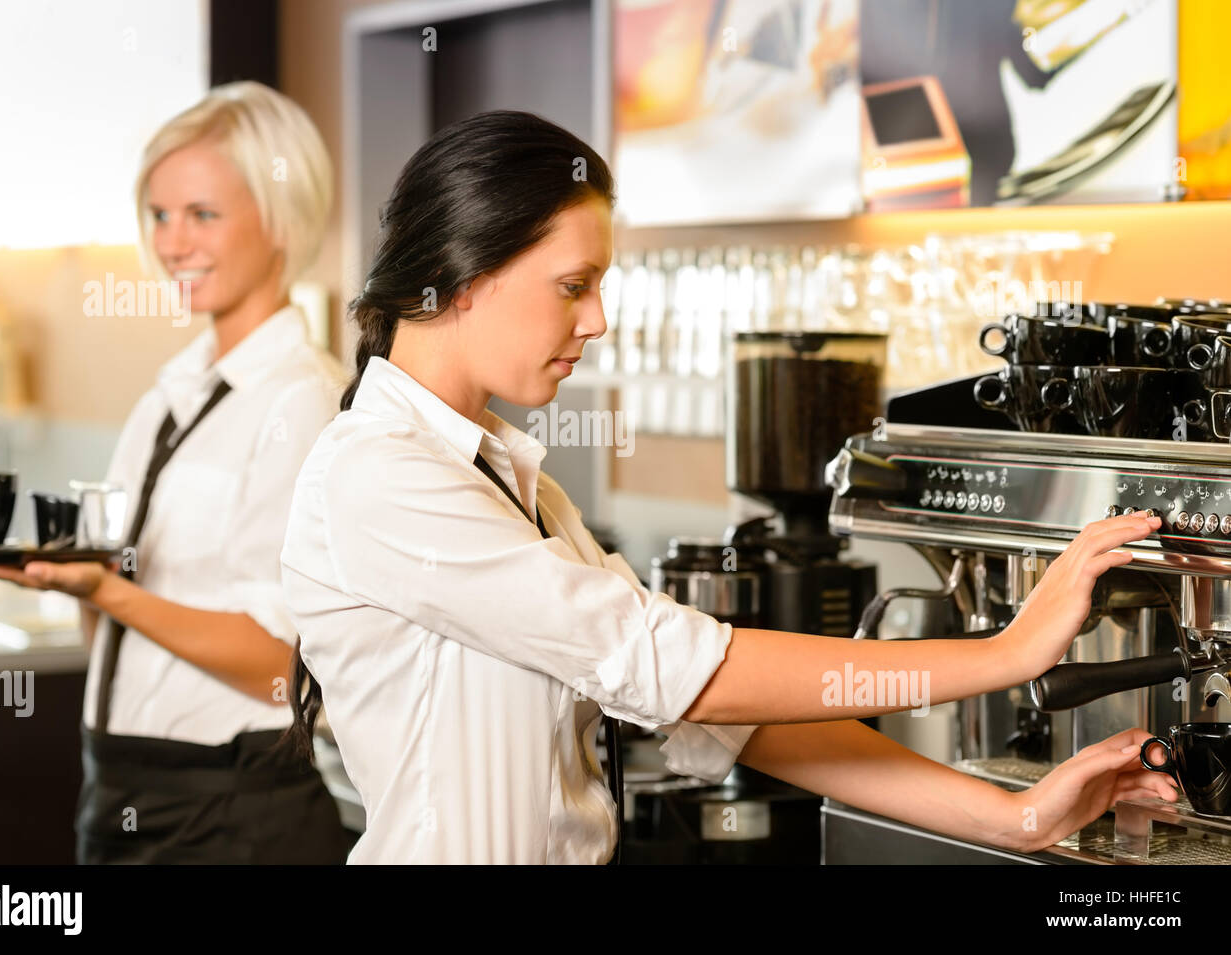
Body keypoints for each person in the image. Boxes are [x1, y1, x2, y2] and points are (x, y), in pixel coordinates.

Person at [279, 110, 1177, 865]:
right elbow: (661, 662)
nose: (597, 320)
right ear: (467, 275)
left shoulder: (521, 490)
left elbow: (728, 718)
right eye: (573, 285)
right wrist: (1001, 655)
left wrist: (1013, 817)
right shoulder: (377, 473)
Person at [0, 82, 350, 864]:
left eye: (203, 214)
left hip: (230, 812)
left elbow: (284, 666)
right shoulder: (168, 396)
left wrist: (108, 589)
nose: (173, 242)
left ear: (281, 218)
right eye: (159, 214)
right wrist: (78, 579)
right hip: (118, 787)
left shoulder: (302, 399)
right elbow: (123, 613)